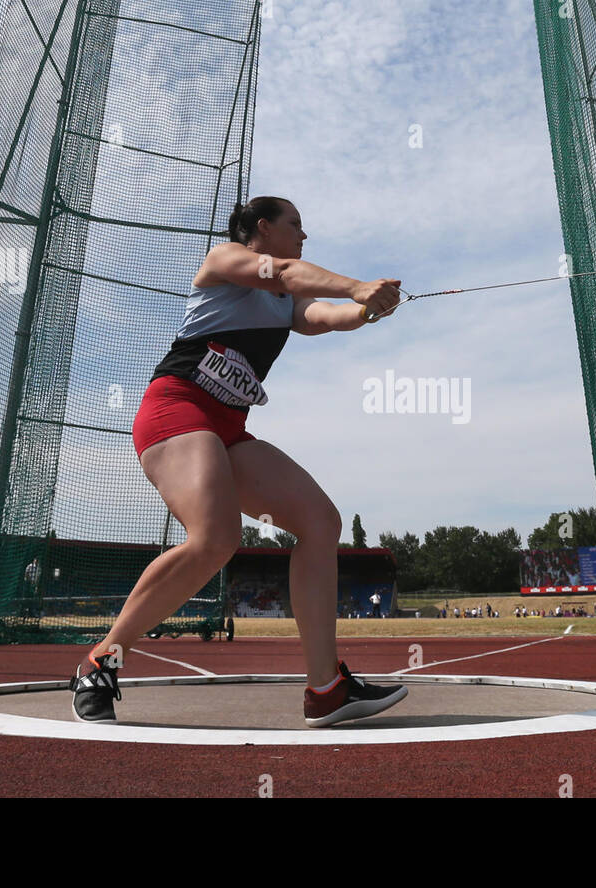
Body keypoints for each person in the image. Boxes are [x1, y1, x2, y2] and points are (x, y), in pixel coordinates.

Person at [70, 197, 408, 728]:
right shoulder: (224, 260)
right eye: (295, 224)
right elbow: (291, 271)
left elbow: (328, 315)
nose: (304, 233)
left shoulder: (285, 303)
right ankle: (101, 662)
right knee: (215, 537)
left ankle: (327, 688)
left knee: (321, 522)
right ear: (262, 228)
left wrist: (369, 308)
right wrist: (357, 286)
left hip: (227, 429)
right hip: (175, 410)